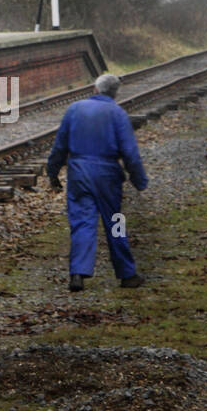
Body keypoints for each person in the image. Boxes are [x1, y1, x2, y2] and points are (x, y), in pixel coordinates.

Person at [46, 72, 148, 291]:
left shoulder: (75, 109)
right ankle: (127, 273)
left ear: (95, 89)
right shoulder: (117, 113)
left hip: (79, 173)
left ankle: (78, 273)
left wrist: (52, 172)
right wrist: (139, 179)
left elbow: (59, 146)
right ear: (115, 93)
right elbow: (130, 152)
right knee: (117, 221)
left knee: (82, 222)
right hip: (108, 175)